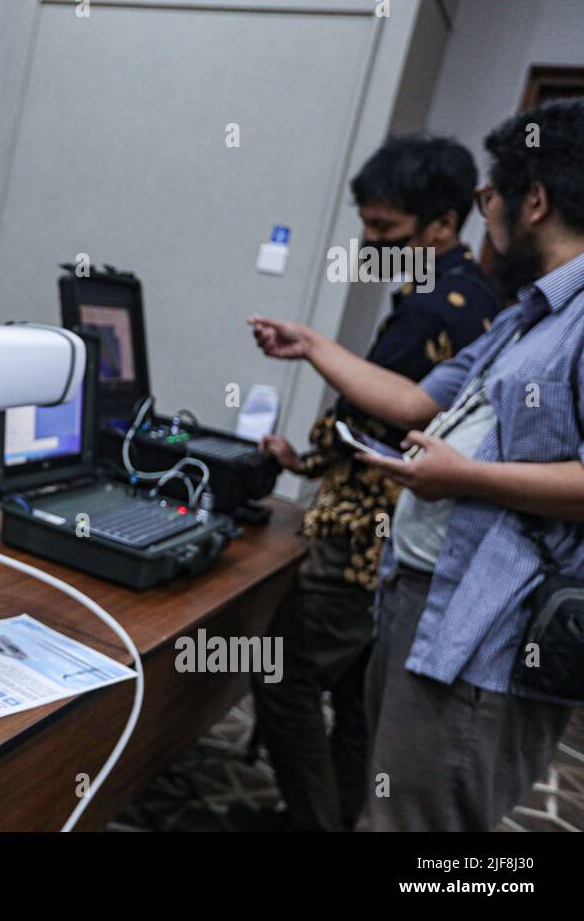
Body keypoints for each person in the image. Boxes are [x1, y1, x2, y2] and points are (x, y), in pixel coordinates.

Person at [249, 98, 584, 830]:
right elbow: (414, 400)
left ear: (536, 200)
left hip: (486, 631)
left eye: (494, 195)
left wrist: (460, 478)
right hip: (428, 600)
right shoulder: (529, 315)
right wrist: (310, 344)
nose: (484, 213)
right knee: (393, 800)